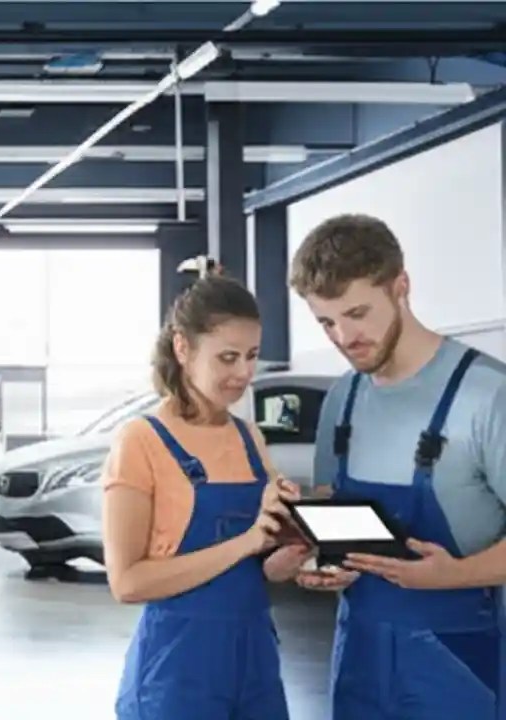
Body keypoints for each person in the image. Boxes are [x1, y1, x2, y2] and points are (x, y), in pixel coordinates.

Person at [288, 213, 506, 720]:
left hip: (458, 668)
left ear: (401, 286)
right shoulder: (343, 398)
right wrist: (317, 562)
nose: (344, 336)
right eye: (326, 322)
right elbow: (328, 508)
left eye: (358, 312)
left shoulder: (488, 395)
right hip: (358, 663)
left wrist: (456, 574)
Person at [102, 273, 310, 720]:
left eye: (252, 356)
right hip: (178, 670)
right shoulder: (141, 441)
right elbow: (127, 583)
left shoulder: (248, 437)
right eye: (228, 358)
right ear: (183, 349)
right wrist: (248, 542)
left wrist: (287, 553)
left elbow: (260, 569)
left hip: (255, 661)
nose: (243, 374)